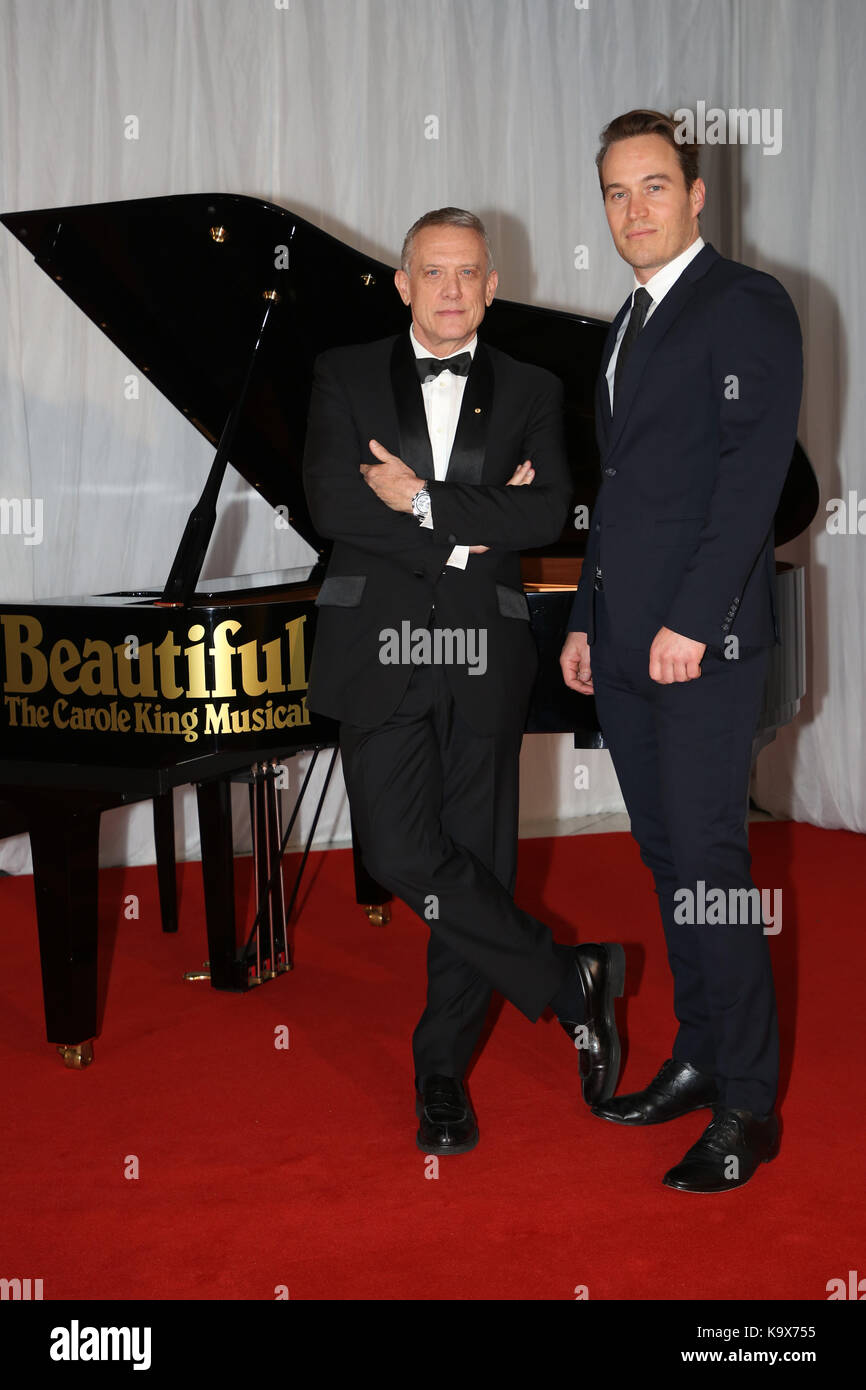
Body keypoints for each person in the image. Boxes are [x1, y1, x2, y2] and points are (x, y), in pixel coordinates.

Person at [303, 207, 625, 1156]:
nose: (450, 289)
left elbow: (545, 514)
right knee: (404, 853)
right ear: (402, 283)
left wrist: (424, 500)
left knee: (478, 862)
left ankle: (440, 1072)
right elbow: (329, 501)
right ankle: (570, 981)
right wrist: (473, 521)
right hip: (377, 647)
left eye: (468, 273)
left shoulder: (530, 384)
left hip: (485, 650)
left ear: (492, 285)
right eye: (431, 272)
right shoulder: (345, 374)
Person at [560, 111, 803, 1193]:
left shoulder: (743, 303)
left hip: (696, 647)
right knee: (665, 864)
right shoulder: (623, 320)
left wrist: (688, 623)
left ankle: (747, 1105)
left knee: (711, 871)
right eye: (616, 193)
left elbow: (751, 484)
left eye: (653, 186)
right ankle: (698, 1051)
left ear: (696, 194)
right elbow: (613, 498)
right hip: (622, 641)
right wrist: (582, 619)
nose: (633, 209)